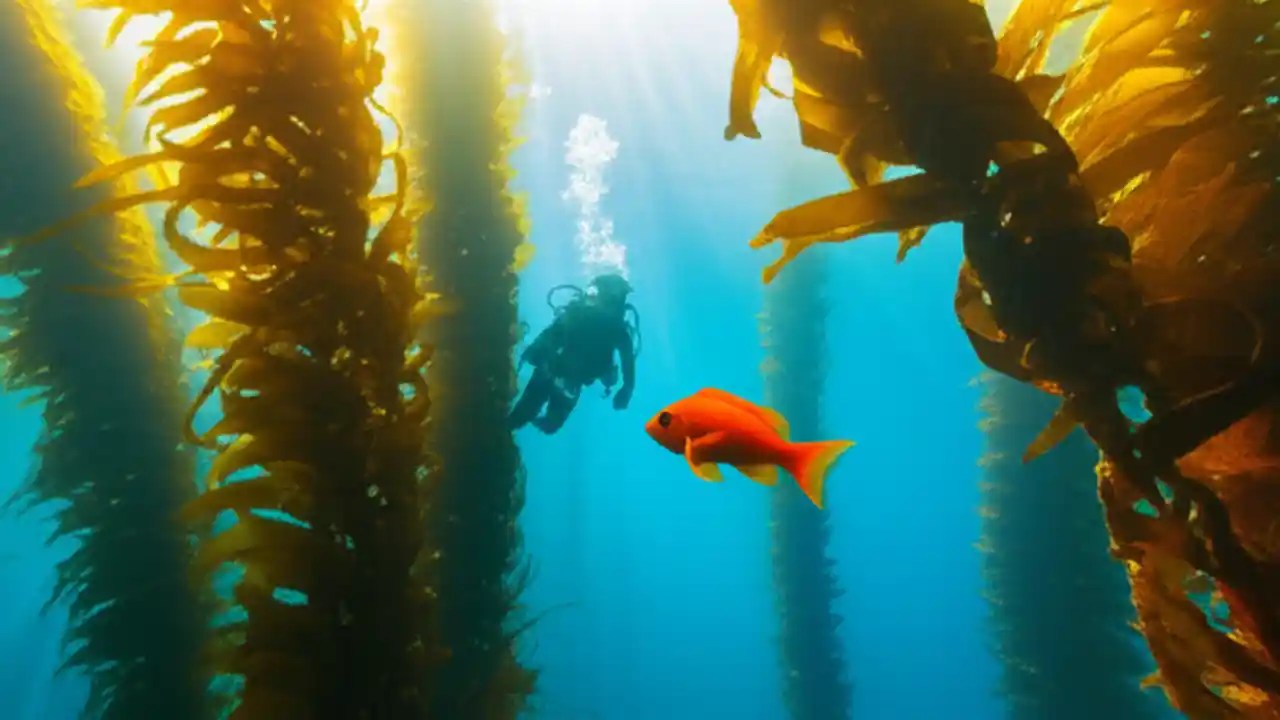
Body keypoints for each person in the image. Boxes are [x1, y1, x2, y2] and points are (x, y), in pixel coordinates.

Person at [509, 273, 640, 434]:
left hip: (564, 376)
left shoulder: (608, 326)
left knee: (545, 423)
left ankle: (506, 426)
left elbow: (551, 334)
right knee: (532, 418)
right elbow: (628, 362)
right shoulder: (588, 318)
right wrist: (627, 389)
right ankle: (503, 428)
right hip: (556, 372)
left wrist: (627, 389)